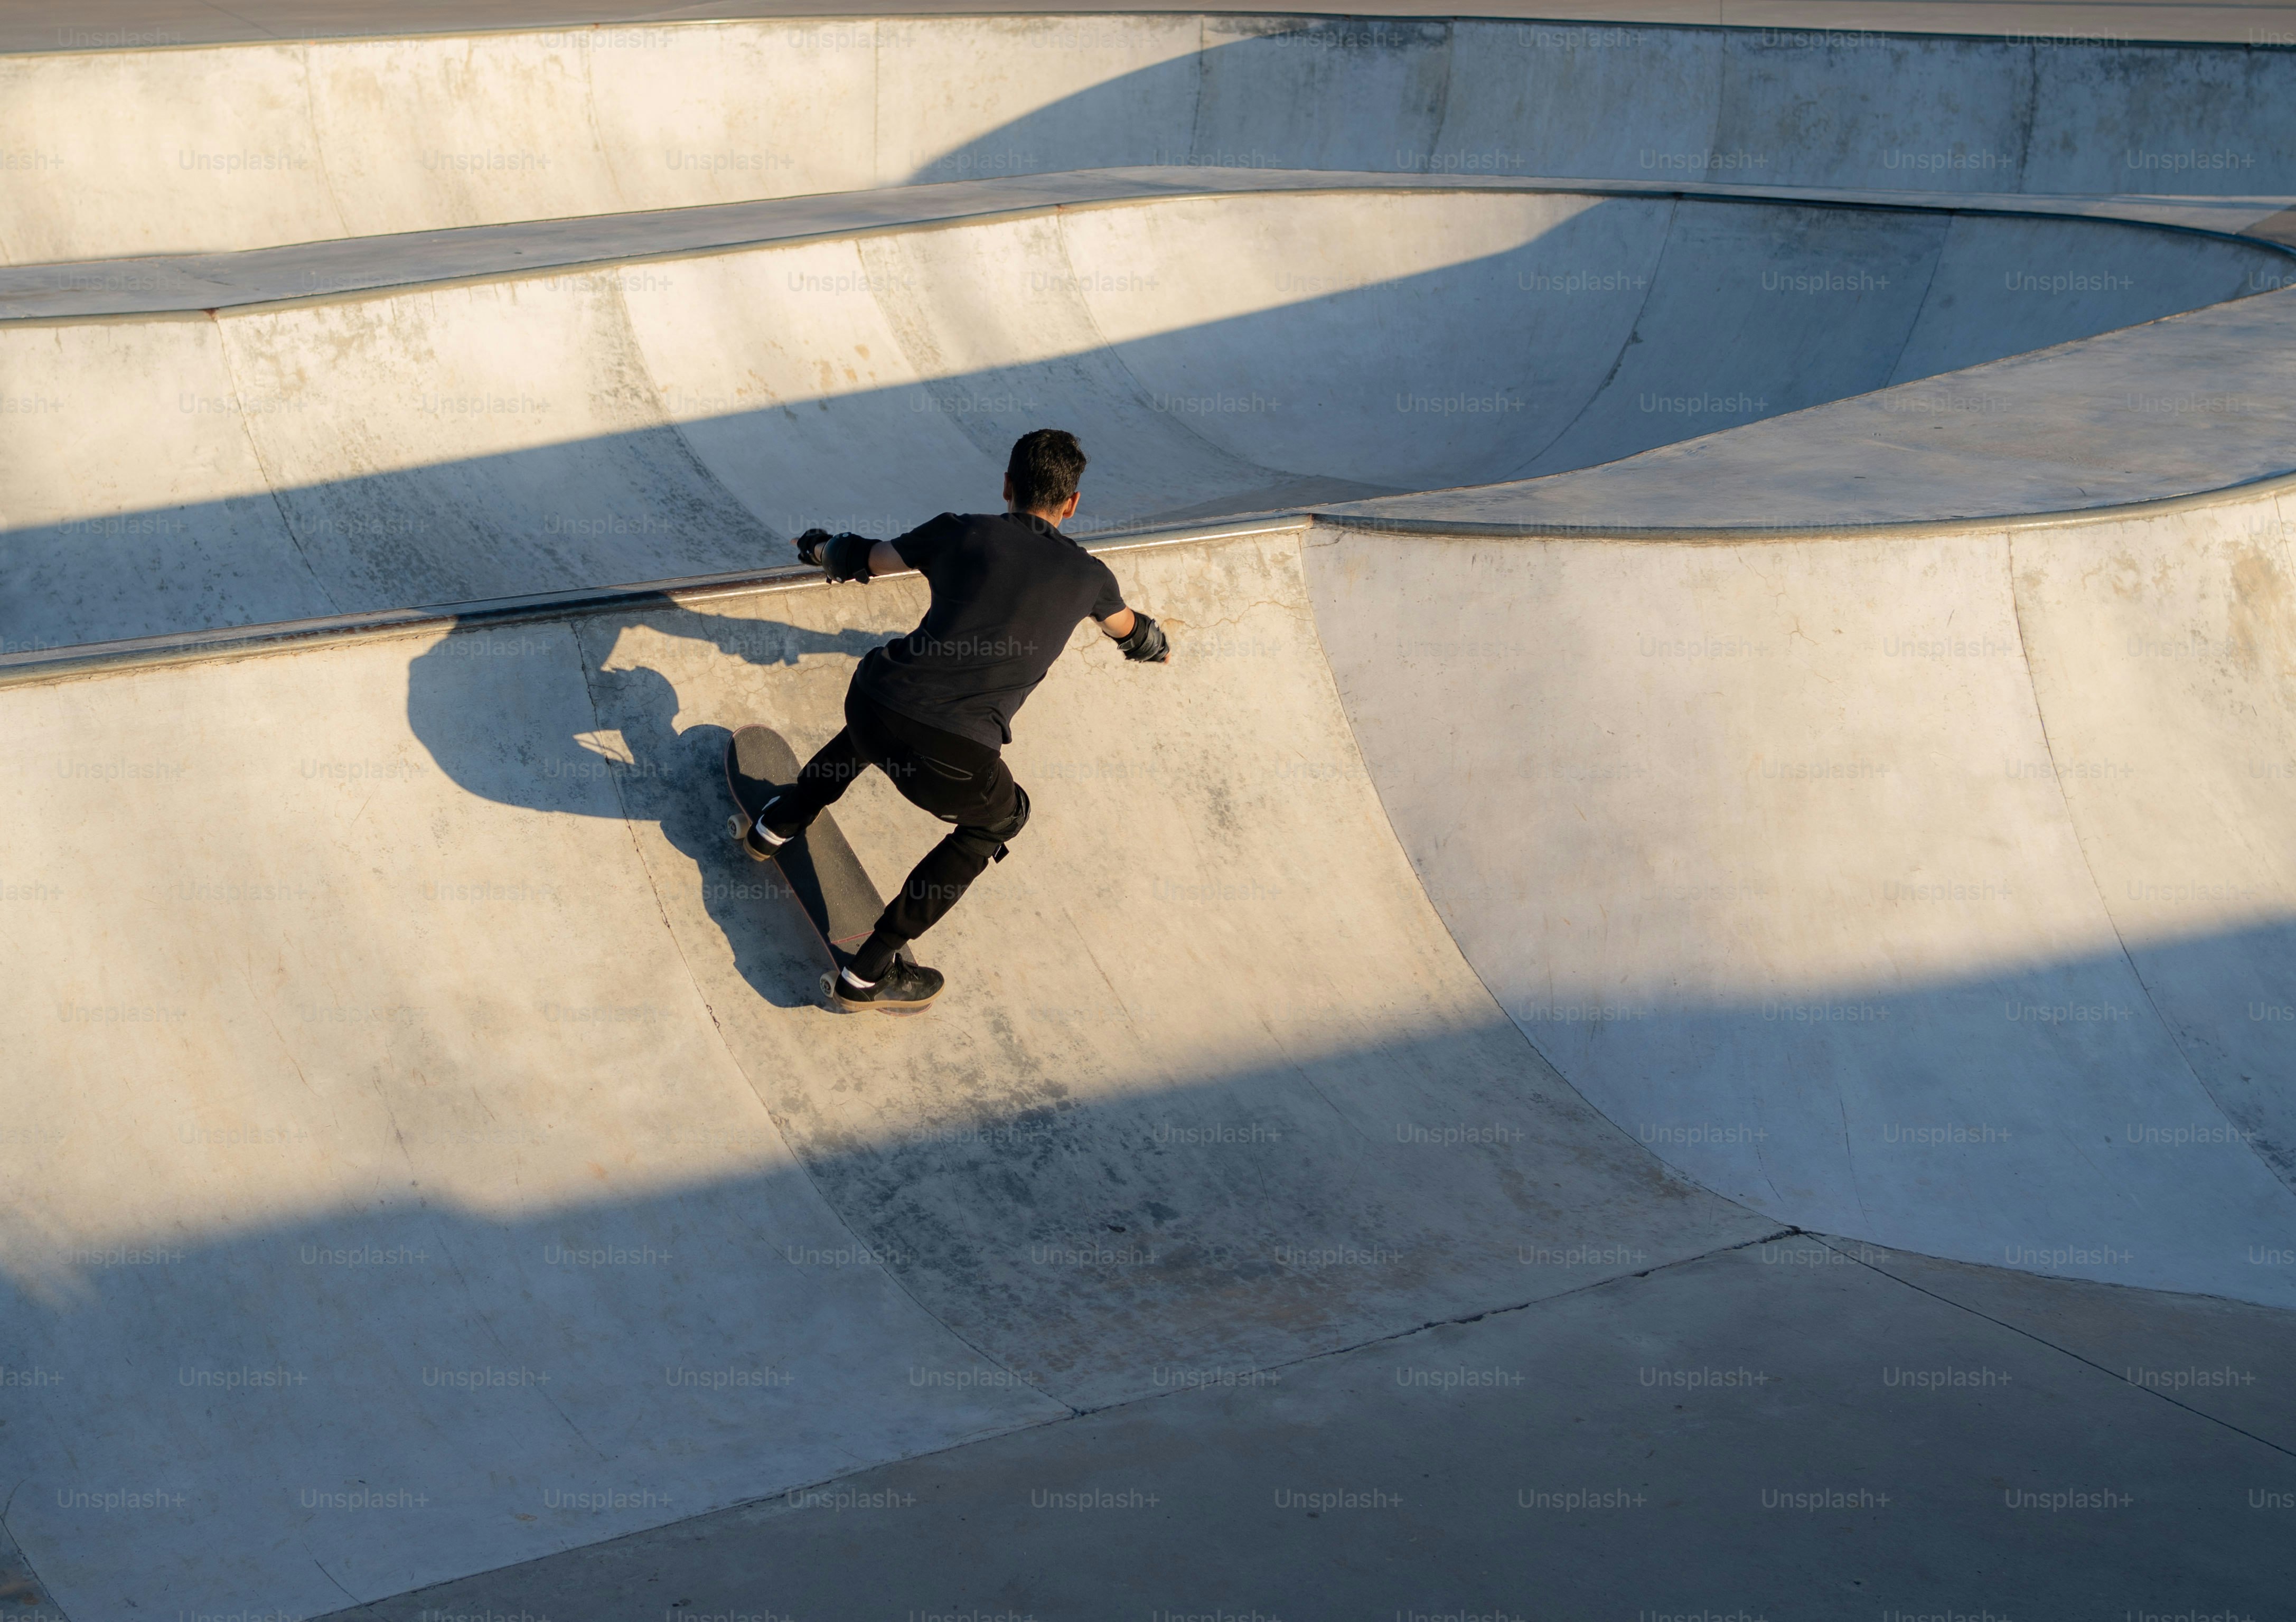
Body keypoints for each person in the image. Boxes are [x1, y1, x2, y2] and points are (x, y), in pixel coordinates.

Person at [742, 428, 1169, 1012]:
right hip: (953, 759)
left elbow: (863, 557)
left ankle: (777, 824)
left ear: (1007, 485)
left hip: (872, 702)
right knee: (999, 820)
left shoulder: (959, 529)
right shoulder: (1091, 577)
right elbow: (1128, 628)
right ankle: (870, 968)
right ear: (1072, 503)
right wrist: (1154, 646)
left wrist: (819, 547)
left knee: (890, 708)